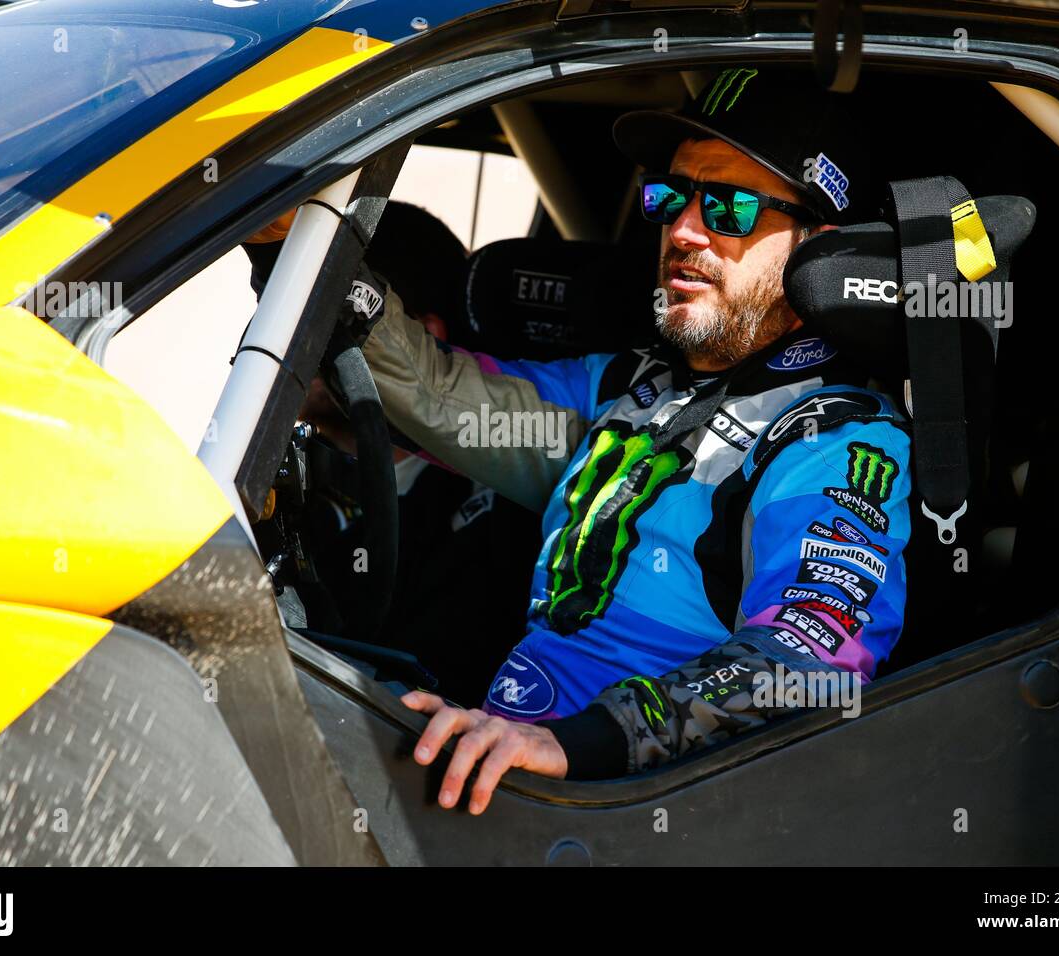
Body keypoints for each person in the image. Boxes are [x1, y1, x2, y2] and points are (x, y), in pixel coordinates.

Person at [352, 67, 912, 811]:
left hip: (632, 807)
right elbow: (437, 393)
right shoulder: (623, 386)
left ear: (820, 253)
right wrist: (314, 256)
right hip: (504, 776)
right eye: (669, 197)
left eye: (731, 207)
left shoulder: (837, 440)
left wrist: (578, 742)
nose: (682, 230)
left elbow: (810, 660)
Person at [246, 202, 543, 696]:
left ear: (424, 339)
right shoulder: (279, 478)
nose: (278, 340)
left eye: (311, 322)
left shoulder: (488, 530)